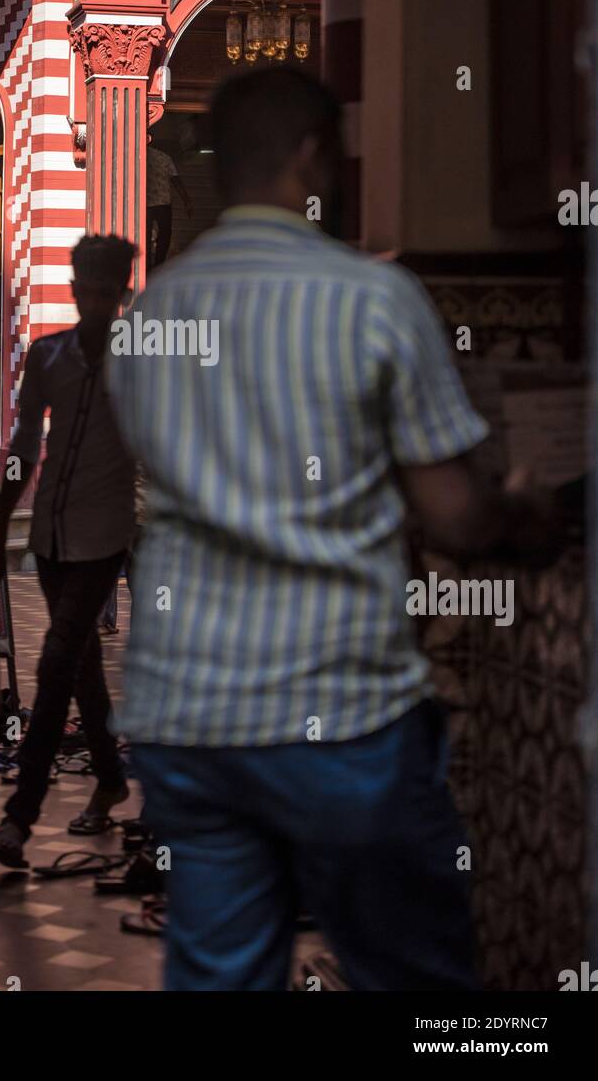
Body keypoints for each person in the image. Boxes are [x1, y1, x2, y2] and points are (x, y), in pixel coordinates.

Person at [106, 67, 563, 991]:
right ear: (313, 157)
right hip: (339, 718)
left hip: (185, 717)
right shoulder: (371, 300)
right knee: (416, 979)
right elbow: (457, 516)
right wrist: (527, 509)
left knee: (221, 974)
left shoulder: (150, 318)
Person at [0, 235, 137, 871]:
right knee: (83, 668)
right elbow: (22, 449)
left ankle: (18, 820)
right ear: (73, 289)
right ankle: (111, 780)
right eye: (82, 288)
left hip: (103, 541)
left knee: (56, 661)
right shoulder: (47, 356)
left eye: (103, 290)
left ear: (120, 294)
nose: (90, 299)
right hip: (48, 541)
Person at [146, 134, 192, 268]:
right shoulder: (164, 157)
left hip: (145, 204)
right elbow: (176, 181)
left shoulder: (137, 156)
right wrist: (187, 201)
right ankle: (159, 263)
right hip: (163, 203)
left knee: (145, 233)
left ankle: (147, 263)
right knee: (165, 233)